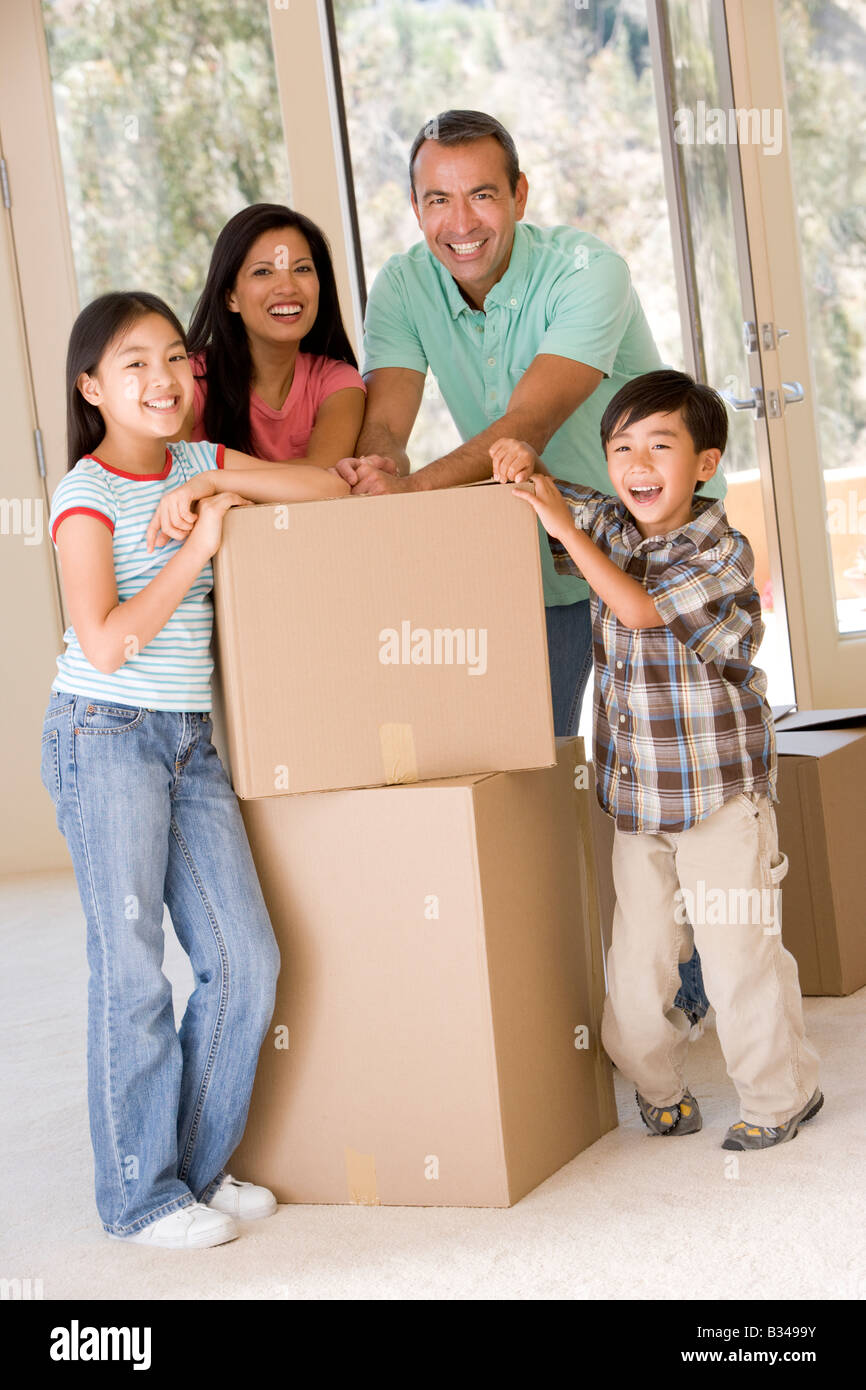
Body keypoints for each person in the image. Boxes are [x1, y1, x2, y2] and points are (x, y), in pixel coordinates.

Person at [337, 108, 713, 1023]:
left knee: (660, 771)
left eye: (480, 195)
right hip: (531, 554)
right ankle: (569, 985)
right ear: (414, 207)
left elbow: (524, 430)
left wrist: (413, 493)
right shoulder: (403, 284)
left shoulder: (590, 272)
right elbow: (385, 421)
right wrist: (378, 465)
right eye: (435, 199)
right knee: (537, 768)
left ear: (520, 197)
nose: (459, 222)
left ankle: (693, 978)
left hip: (647, 552)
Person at [41, 291, 349, 1248]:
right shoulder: (83, 496)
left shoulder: (201, 460)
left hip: (188, 741)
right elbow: (105, 643)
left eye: (173, 357)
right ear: (93, 388)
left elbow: (331, 488)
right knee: (132, 974)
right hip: (103, 733)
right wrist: (199, 550)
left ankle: (194, 1172)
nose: (162, 378)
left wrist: (221, 489)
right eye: (133, 364)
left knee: (245, 960)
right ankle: (139, 1200)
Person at [492, 369, 822, 1148]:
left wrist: (566, 529)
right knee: (638, 968)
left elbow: (636, 610)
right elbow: (548, 493)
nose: (638, 463)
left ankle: (779, 1097)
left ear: (704, 463)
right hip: (639, 809)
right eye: (622, 447)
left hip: (721, 806)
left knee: (740, 958)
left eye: (660, 446)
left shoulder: (723, 553)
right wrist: (517, 461)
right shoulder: (608, 525)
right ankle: (658, 1085)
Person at [174, 203, 365, 467]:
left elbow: (325, 477)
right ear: (230, 297)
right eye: (263, 272)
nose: (287, 287)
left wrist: (215, 478)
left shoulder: (338, 382)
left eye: (302, 269)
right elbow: (167, 470)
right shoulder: (188, 378)